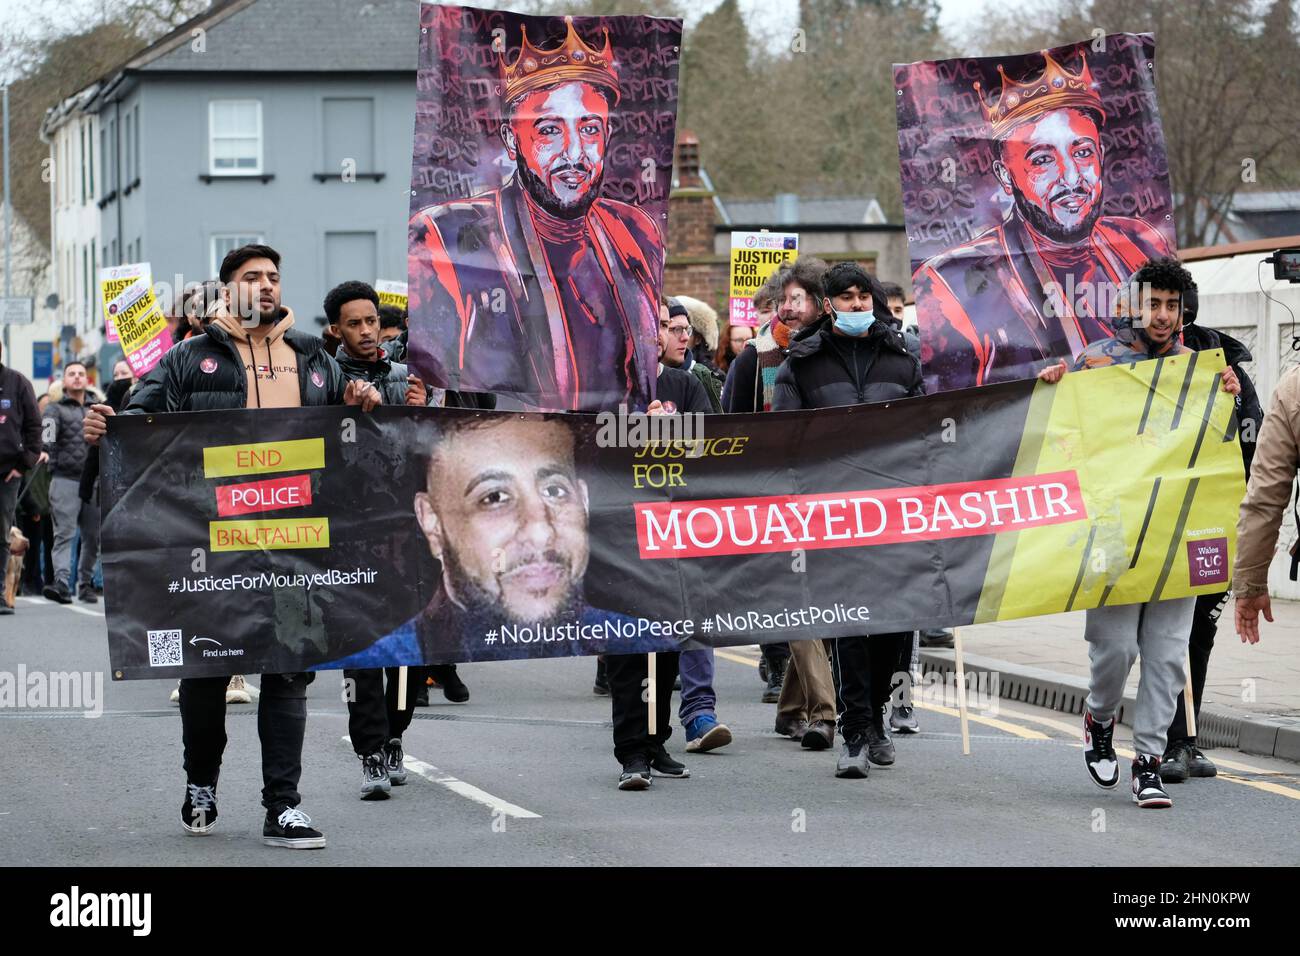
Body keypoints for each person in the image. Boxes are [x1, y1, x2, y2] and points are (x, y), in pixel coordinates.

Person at [84, 242, 382, 849]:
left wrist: (363, 403)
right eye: (253, 277)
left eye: (274, 276)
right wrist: (104, 424)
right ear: (229, 290)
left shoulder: (313, 358)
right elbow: (139, 425)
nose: (267, 286)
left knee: (288, 668)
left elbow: (349, 439)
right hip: (211, 540)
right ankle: (202, 783)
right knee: (205, 672)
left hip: (295, 539)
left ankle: (285, 806)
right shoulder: (190, 359)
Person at [1037, 256, 1240, 809]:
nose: (1163, 316)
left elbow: (1222, 445)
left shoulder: (1200, 369)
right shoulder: (1095, 362)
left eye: (1173, 306)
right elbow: (1060, 435)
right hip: (1113, 532)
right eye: (1153, 303)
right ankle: (1099, 720)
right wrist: (1054, 386)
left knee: (1169, 653)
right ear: (1131, 304)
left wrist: (1229, 393)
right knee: (1116, 649)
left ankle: (1147, 760)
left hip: (1177, 528)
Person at [408, 16, 660, 412]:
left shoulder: (636, 233)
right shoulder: (446, 238)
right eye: (549, 130)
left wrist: (654, 413)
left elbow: (641, 384)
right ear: (511, 139)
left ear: (608, 136)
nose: (575, 154)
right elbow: (439, 393)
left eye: (590, 129)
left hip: (612, 463)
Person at [321, 414, 675, 670]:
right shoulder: (380, 661)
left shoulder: (647, 641)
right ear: (432, 522)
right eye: (494, 497)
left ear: (582, 501)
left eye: (554, 490)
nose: (541, 531)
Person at [914, 50, 1173, 392]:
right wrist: (1033, 392)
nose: (1070, 177)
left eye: (1082, 153)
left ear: (1101, 157)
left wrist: (1217, 380)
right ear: (1005, 177)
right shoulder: (949, 284)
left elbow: (1175, 362)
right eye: (1042, 160)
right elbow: (956, 417)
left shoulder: (1143, 243)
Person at [773, 261, 924, 778]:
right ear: (829, 303)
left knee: (893, 627)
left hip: (896, 514)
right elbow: (784, 440)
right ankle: (856, 730)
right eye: (848, 297)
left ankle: (877, 719)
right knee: (849, 624)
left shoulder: (902, 358)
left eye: (865, 296)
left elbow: (925, 430)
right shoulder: (803, 364)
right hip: (833, 516)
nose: (858, 305)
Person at [724, 258, 839, 744]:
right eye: (783, 300)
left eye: (799, 299)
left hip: (827, 493)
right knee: (798, 600)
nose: (790, 308)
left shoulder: (833, 353)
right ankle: (826, 711)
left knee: (819, 601)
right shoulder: (754, 357)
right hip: (772, 497)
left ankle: (789, 708)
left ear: (818, 302)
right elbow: (729, 431)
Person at [1160, 280, 1262, 782]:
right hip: (1157, 526)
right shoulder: (1138, 367)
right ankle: (1167, 739)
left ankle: (1187, 739)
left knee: (1198, 632)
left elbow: (1254, 449)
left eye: (1175, 308)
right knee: (1164, 636)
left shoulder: (1230, 373)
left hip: (1212, 528)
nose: (1166, 318)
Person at [653, 299, 731, 754]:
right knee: (646, 630)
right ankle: (643, 728)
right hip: (629, 527)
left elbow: (714, 448)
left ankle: (700, 714)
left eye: (673, 327)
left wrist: (675, 430)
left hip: (683, 521)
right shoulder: (608, 390)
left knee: (692, 615)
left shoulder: (686, 384)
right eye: (662, 326)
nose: (671, 335)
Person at [42, 362, 101, 605]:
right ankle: (62, 583)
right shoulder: (54, 409)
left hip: (94, 480)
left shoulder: (97, 408)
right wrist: (47, 456)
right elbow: (47, 438)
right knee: (64, 534)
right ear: (64, 381)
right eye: (71, 374)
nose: (77, 378)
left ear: (86, 379)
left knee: (93, 536)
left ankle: (85, 584)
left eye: (80, 374)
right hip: (65, 478)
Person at [0, 341, 45, 615]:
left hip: (7, 473)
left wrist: (24, 463)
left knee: (1, 534)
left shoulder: (17, 383)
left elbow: (34, 426)